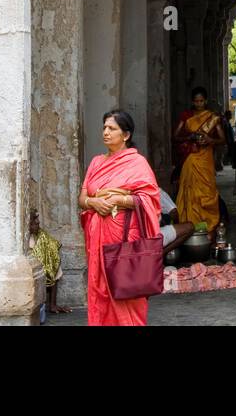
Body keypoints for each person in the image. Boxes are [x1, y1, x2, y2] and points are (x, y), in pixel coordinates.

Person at [79, 109, 163, 326]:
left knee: (126, 290)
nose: (106, 132)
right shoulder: (97, 162)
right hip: (97, 237)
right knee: (101, 290)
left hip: (124, 237)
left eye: (112, 128)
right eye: (104, 128)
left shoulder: (137, 164)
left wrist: (118, 200)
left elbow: (150, 199)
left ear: (125, 135)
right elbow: (83, 197)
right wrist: (93, 202)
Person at [173, 86, 224, 231]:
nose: (199, 104)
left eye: (201, 101)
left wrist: (210, 140)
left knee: (207, 190)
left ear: (206, 101)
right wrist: (189, 137)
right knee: (189, 190)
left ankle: (208, 224)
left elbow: (222, 139)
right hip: (191, 157)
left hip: (205, 158)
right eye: (196, 101)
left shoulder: (212, 117)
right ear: (192, 101)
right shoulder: (187, 116)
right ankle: (190, 224)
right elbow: (175, 137)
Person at [29, 209, 69, 314]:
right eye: (34, 219)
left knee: (55, 263)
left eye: (37, 219)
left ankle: (52, 304)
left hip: (46, 269)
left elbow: (53, 253)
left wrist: (50, 257)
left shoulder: (41, 235)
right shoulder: (27, 240)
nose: (38, 222)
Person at [158, 188, 194, 256]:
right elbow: (173, 211)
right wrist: (176, 224)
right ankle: (160, 254)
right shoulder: (153, 189)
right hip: (152, 238)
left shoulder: (132, 192)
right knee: (189, 227)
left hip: (134, 241)